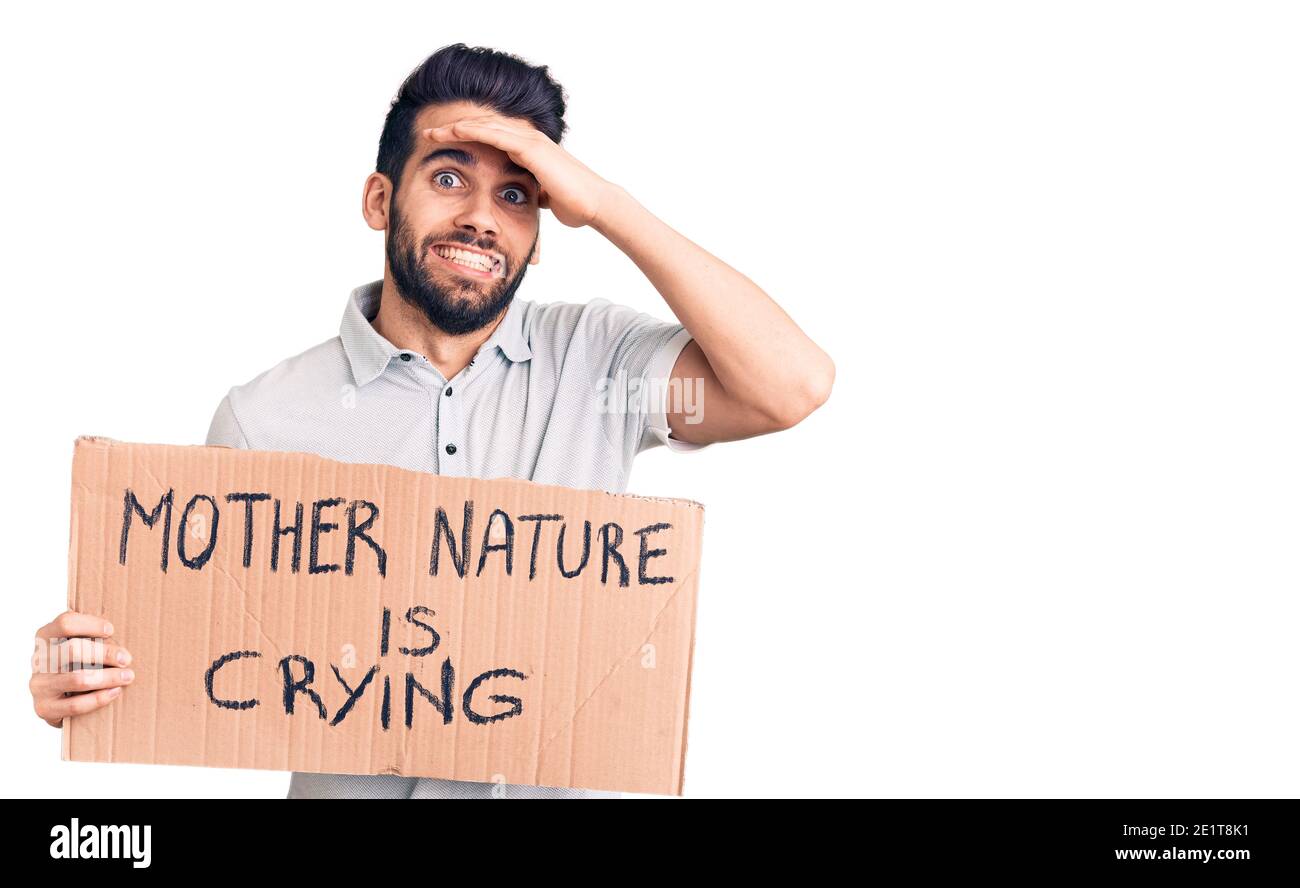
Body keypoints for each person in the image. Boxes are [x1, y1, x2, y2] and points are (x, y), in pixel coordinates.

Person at [31, 43, 834, 798]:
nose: (484, 219)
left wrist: (608, 207)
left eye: (518, 195)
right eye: (450, 178)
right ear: (381, 201)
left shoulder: (604, 373)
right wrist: (85, 670)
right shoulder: (261, 419)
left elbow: (787, 386)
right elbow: (201, 646)